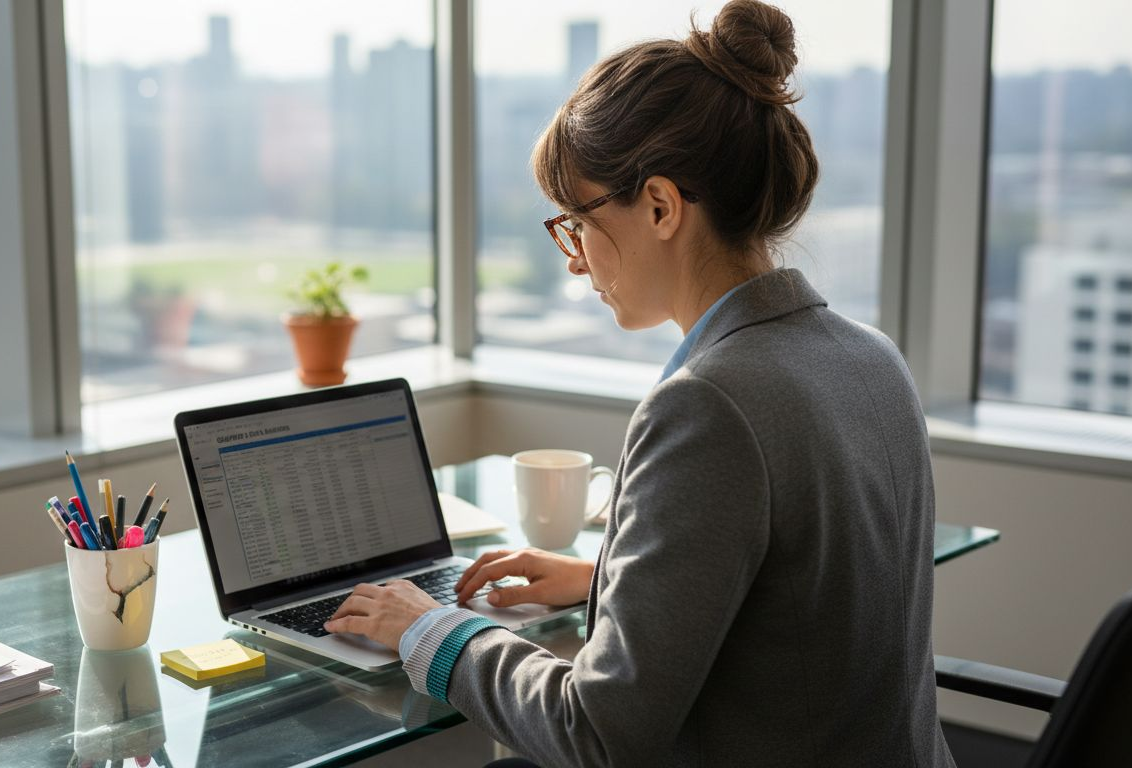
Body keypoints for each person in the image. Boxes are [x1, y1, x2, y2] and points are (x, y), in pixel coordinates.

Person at [324, 1, 955, 765]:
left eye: (576, 220)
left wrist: (429, 629)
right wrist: (608, 584)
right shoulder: (870, 357)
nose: (573, 257)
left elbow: (596, 733)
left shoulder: (708, 405)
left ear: (659, 205)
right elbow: (805, 608)